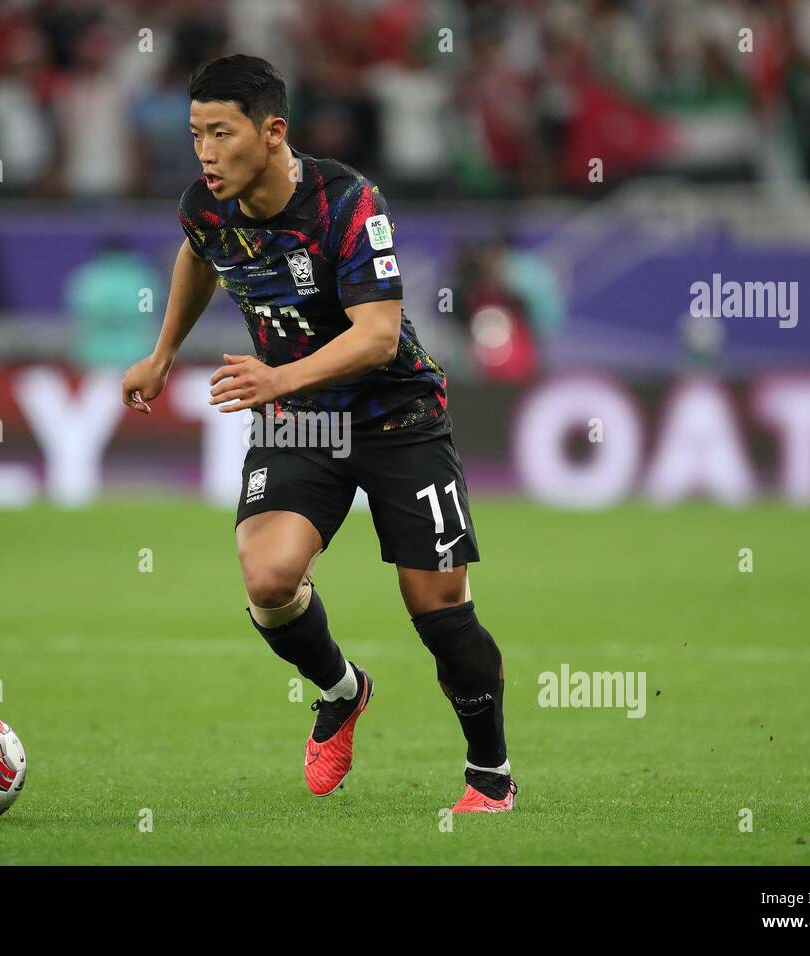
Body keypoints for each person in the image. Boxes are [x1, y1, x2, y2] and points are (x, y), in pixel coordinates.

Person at [120, 55, 514, 813]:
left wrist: (277, 378)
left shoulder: (347, 204)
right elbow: (200, 255)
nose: (205, 151)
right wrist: (163, 353)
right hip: (304, 421)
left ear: (272, 132)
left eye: (221, 133)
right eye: (196, 132)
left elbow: (377, 335)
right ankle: (342, 690)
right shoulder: (206, 206)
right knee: (268, 579)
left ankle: (489, 775)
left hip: (398, 415)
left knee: (438, 610)